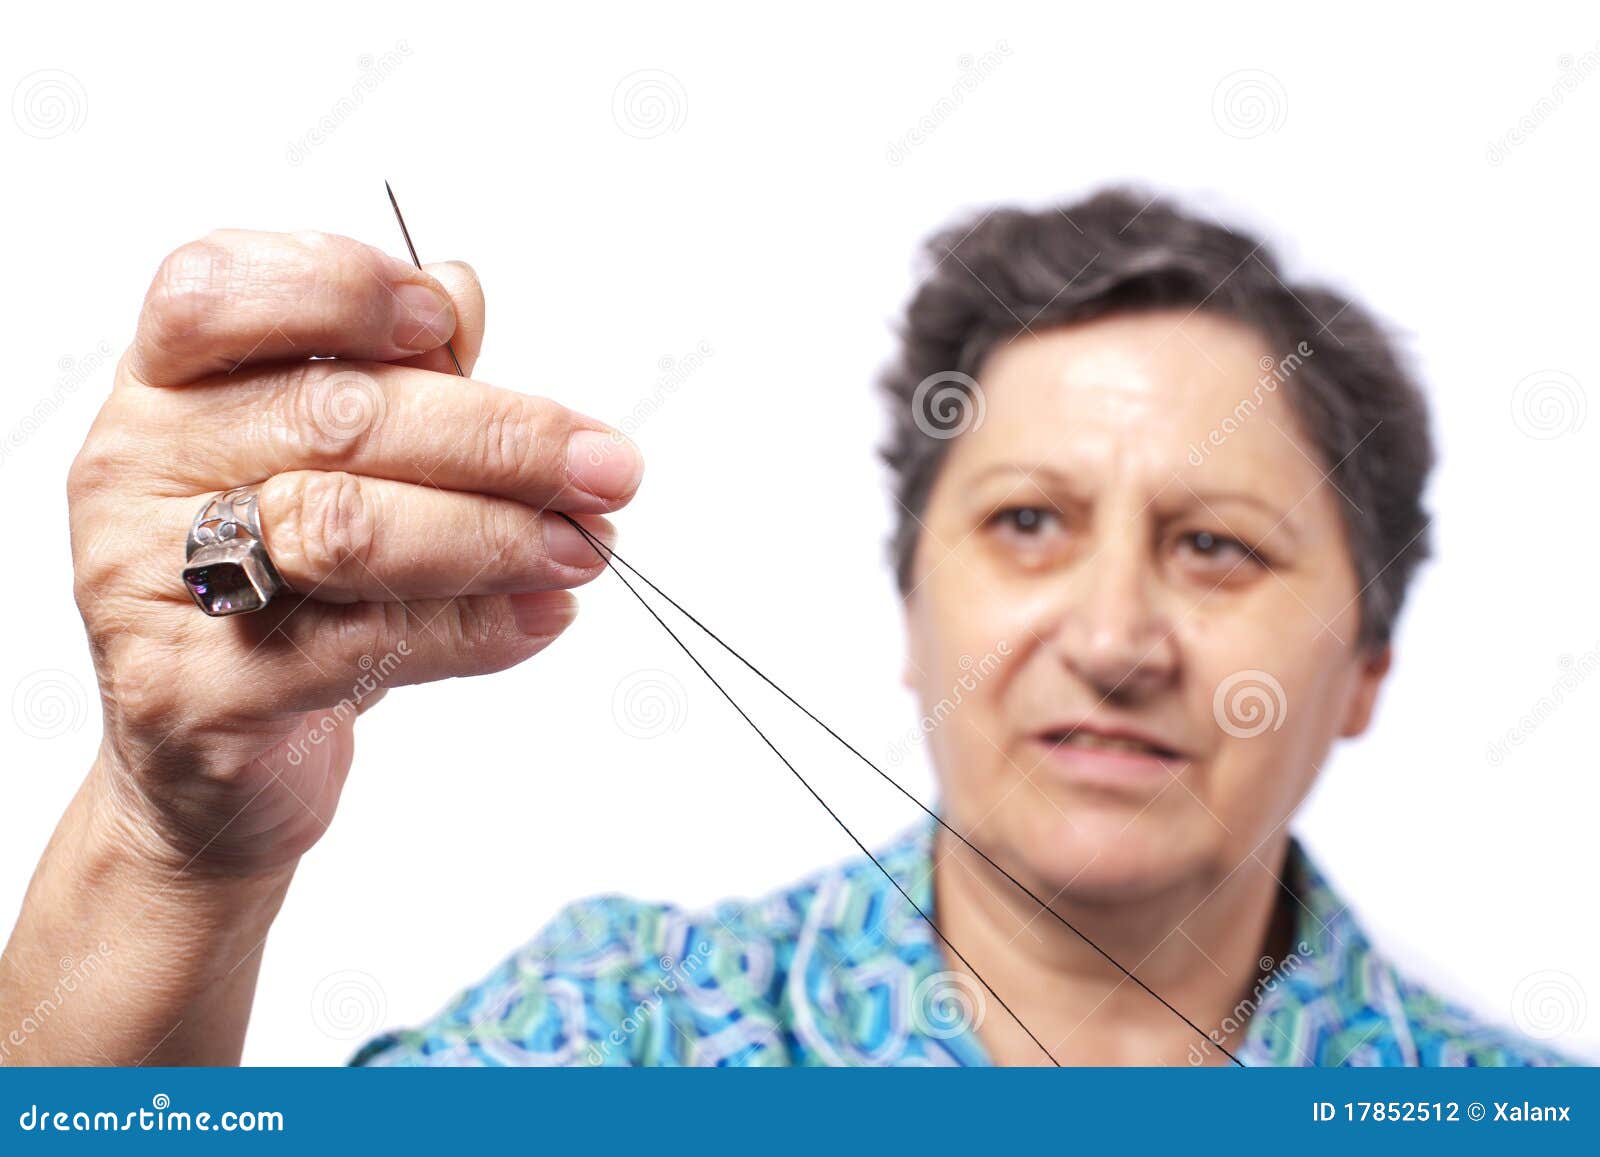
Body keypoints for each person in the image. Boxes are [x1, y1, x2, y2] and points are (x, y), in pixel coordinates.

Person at [0, 190, 1572, 1067]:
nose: (1114, 635)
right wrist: (173, 846)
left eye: (1216, 546)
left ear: (1367, 664)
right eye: (1029, 522)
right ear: (914, 607)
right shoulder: (619, 1039)